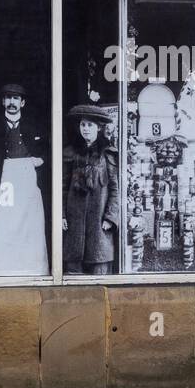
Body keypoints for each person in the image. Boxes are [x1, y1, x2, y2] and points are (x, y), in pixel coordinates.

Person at [0, 83, 49, 277]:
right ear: (3, 101)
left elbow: (49, 149)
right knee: (4, 225)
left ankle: (32, 272)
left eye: (16, 98)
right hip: (4, 183)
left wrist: (40, 159)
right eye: (8, 98)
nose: (12, 102)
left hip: (28, 182)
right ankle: (3, 272)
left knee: (30, 228)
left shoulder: (35, 125)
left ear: (23, 103)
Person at [62, 104, 120, 275]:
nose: (85, 129)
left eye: (90, 125)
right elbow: (63, 186)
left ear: (99, 128)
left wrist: (110, 217)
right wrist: (62, 214)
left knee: (99, 272)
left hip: (99, 225)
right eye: (83, 125)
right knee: (74, 272)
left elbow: (115, 188)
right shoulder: (70, 153)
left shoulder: (107, 153)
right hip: (75, 225)